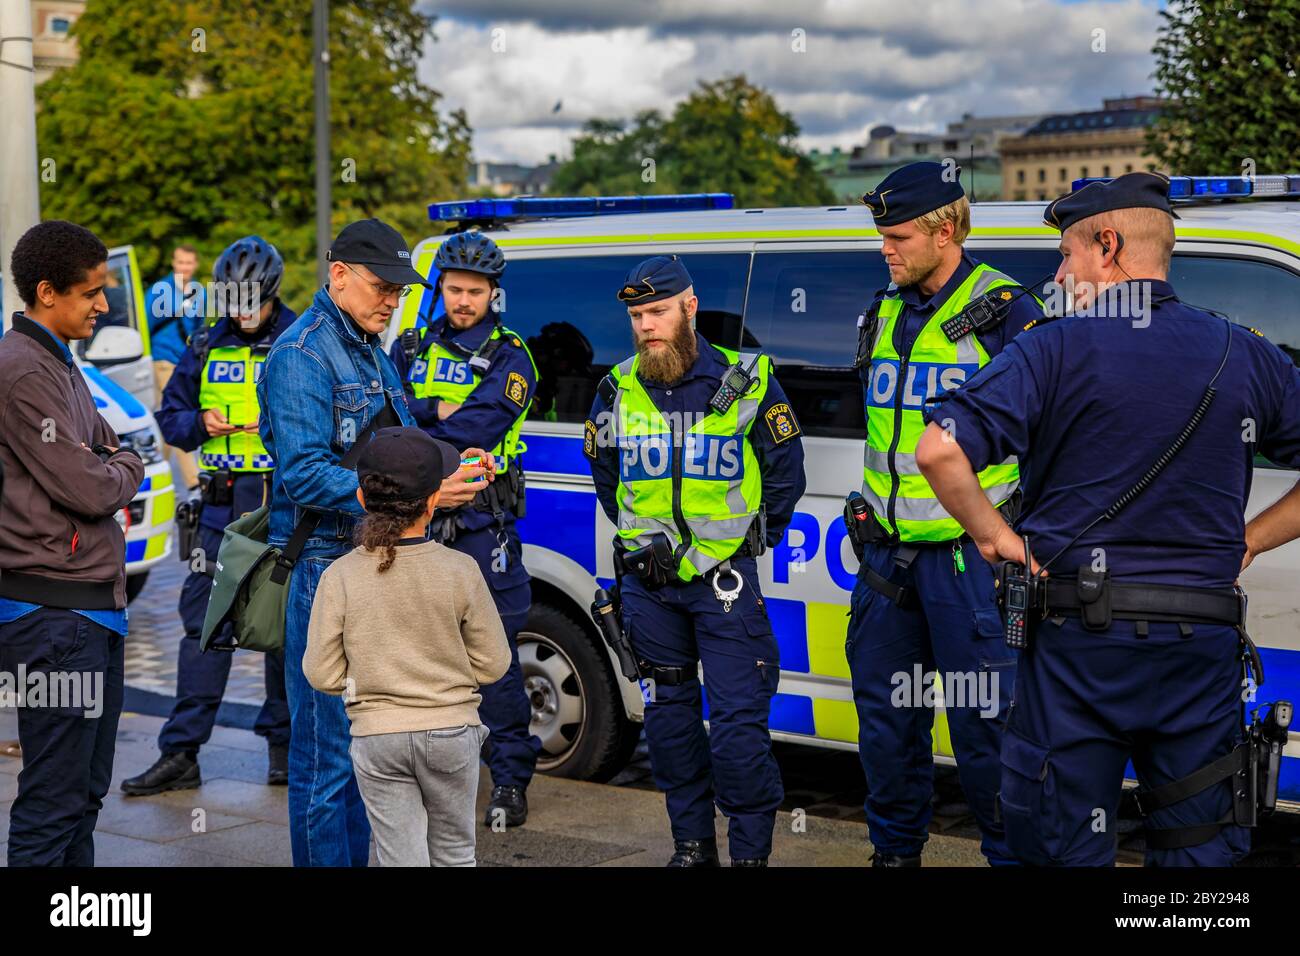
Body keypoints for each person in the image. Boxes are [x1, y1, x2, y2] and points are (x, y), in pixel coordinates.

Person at [916, 171, 1300, 866]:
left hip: (1076, 646)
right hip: (1201, 644)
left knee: (1063, 840)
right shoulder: (1245, 353)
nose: (1059, 274)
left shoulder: (1050, 349)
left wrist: (993, 537)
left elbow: (939, 450)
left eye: (1066, 254)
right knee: (1197, 846)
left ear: (1108, 245)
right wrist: (1250, 540)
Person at [258, 218, 493, 866]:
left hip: (368, 557)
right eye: (382, 285)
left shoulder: (369, 345)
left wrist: (449, 462)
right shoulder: (301, 354)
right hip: (322, 564)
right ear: (337, 275)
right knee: (326, 757)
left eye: (399, 289)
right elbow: (303, 472)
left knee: (368, 748)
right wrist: (413, 497)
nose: (393, 299)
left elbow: (402, 438)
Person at [846, 161, 1045, 866]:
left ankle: (1008, 857)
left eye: (897, 236)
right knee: (885, 726)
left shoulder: (1010, 312)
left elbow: (1048, 440)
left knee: (989, 732)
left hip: (971, 566)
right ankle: (894, 854)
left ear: (949, 228)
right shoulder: (883, 309)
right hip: (885, 563)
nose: (885, 248)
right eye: (881, 235)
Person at [584, 255, 807, 866]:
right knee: (670, 729)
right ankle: (691, 848)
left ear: (689, 306)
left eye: (657, 311)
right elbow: (607, 475)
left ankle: (751, 856)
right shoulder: (617, 386)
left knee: (738, 731)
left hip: (724, 585)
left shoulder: (748, 379)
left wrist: (741, 540)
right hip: (648, 588)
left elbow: (786, 472)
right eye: (635, 316)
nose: (646, 326)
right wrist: (646, 542)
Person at [120, 236, 294, 796]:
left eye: (253, 302)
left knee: (283, 630)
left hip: (280, 508)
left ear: (271, 295)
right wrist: (200, 422)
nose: (243, 313)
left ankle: (284, 751)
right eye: (234, 301)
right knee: (202, 630)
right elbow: (170, 421)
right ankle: (181, 753)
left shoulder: (299, 342)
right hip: (219, 509)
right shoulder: (203, 344)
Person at [0, 221, 146, 865]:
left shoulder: (59, 359)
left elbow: (115, 448)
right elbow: (92, 486)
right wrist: (119, 467)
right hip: (51, 617)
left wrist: (116, 461)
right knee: (54, 798)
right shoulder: (24, 371)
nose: (103, 305)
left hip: (87, 609)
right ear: (46, 292)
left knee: (84, 794)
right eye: (91, 293)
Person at [389, 231, 542, 827]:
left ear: (492, 294)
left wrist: (421, 419)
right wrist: (433, 414)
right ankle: (428, 775)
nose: (462, 300)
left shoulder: (512, 357)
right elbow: (385, 413)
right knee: (418, 653)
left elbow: (480, 423)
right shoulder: (410, 345)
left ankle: (510, 780)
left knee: (493, 656)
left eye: (474, 291)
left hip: (482, 524)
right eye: (454, 289)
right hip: (415, 522)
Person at [304, 427, 511, 866]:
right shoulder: (461, 570)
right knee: (456, 852)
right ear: (435, 500)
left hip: (378, 736)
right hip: (452, 731)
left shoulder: (338, 576)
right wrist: (446, 678)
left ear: (361, 499)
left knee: (400, 858)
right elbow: (494, 663)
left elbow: (321, 673)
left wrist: (373, 679)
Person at [147, 243, 206, 491]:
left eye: (189, 263)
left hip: (186, 360)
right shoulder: (158, 291)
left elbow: (199, 328)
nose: (184, 267)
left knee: (167, 418)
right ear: (174, 263)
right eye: (180, 262)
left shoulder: (199, 292)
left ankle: (150, 468)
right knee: (179, 411)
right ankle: (193, 480)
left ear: (195, 265)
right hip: (164, 359)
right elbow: (146, 326)